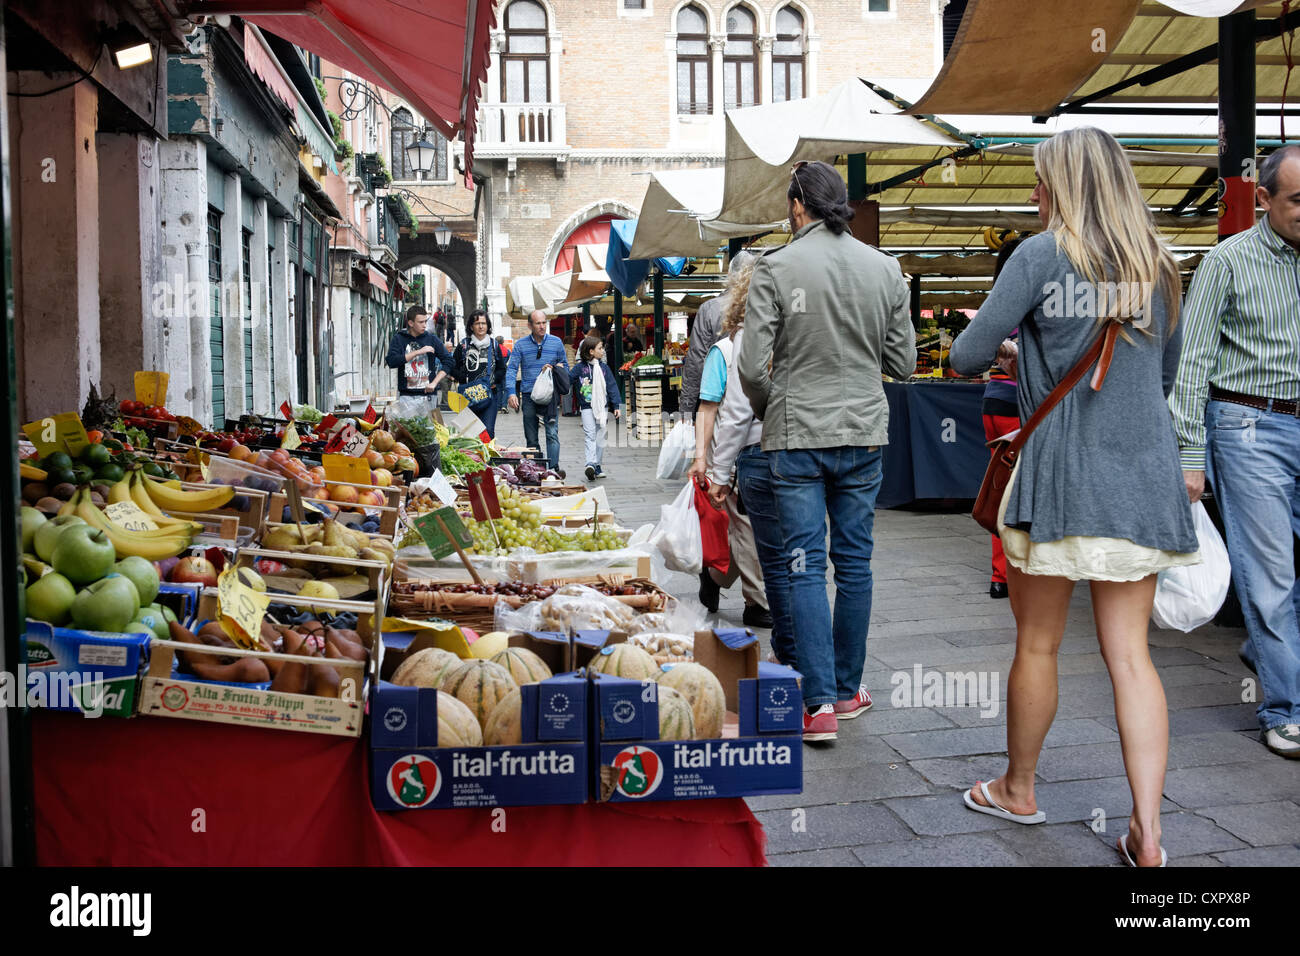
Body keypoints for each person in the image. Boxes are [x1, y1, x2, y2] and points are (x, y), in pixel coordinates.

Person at [949, 127, 1197, 867]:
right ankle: (1148, 836)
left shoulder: (1039, 255)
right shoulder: (1160, 267)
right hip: (1141, 477)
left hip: (1057, 477)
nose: (1033, 194)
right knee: (1131, 657)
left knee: (1038, 642)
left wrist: (1018, 344)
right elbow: (1162, 381)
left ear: (1063, 185)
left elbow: (963, 357)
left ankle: (1019, 788)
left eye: (1040, 181)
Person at [737, 160, 916, 743]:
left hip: (795, 435)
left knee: (803, 564)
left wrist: (774, 405)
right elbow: (904, 364)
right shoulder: (886, 270)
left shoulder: (777, 266)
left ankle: (815, 706)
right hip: (863, 432)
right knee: (856, 563)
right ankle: (846, 687)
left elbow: (749, 366)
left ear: (797, 207)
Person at [1170, 144, 1300, 761]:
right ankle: (1287, 709)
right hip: (1250, 427)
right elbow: (1191, 363)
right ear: (1265, 199)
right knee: (1269, 574)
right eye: (1298, 199)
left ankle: (1270, 652)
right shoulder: (1228, 261)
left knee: (1277, 585)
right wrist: (1190, 455)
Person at [688, 256, 789, 641]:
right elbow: (711, 409)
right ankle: (757, 601)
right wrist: (708, 462)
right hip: (740, 451)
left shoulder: (785, 339)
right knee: (747, 528)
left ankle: (713, 574)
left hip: (773, 449)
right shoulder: (725, 351)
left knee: (748, 530)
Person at [981, 237, 1025, 600]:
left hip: (992, 403)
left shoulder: (996, 300)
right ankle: (1016, 571)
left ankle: (1001, 574)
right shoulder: (1028, 297)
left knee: (1000, 487)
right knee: (1020, 492)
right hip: (1020, 407)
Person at [680, 252, 756, 420]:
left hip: (719, 403)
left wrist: (687, 409)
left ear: (729, 275)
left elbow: (697, 362)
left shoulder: (710, 309)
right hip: (757, 404)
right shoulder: (767, 305)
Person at [507, 309, 570, 476]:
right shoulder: (520, 345)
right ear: (530, 325)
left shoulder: (556, 343)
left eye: (544, 322)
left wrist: (555, 368)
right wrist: (511, 393)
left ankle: (554, 469)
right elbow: (512, 369)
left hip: (550, 396)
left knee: (552, 433)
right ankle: (537, 469)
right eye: (538, 323)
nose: (542, 326)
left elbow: (566, 367)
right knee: (531, 437)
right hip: (528, 396)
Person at [449, 309, 507, 439]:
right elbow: (452, 367)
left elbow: (502, 369)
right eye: (477, 323)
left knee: (488, 432)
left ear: (488, 326)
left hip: (489, 396)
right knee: (469, 434)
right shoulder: (463, 345)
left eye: (484, 323)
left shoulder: (494, 345)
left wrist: (492, 380)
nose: (481, 326)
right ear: (471, 326)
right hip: (468, 397)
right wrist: (463, 377)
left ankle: (487, 459)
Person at [385, 305, 454, 411]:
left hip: (428, 396)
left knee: (429, 427)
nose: (425, 325)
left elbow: (449, 361)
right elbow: (391, 361)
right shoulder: (399, 339)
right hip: (406, 397)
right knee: (408, 427)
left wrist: (435, 382)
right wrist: (418, 352)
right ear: (411, 323)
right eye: (421, 322)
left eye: (425, 321)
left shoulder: (432, 339)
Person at [575, 335, 621, 480]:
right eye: (600, 348)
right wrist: (556, 372)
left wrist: (617, 405)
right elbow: (567, 380)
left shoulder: (604, 368)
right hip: (587, 407)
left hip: (603, 407)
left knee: (600, 436)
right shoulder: (579, 368)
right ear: (591, 351)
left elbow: (612, 386)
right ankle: (590, 464)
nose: (603, 351)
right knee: (590, 435)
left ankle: (597, 465)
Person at [495, 336, 512, 414]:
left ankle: (498, 408)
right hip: (505, 371)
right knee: (505, 389)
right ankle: (504, 406)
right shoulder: (507, 350)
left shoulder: (494, 350)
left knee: (498, 389)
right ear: (503, 342)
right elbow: (509, 358)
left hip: (497, 371)